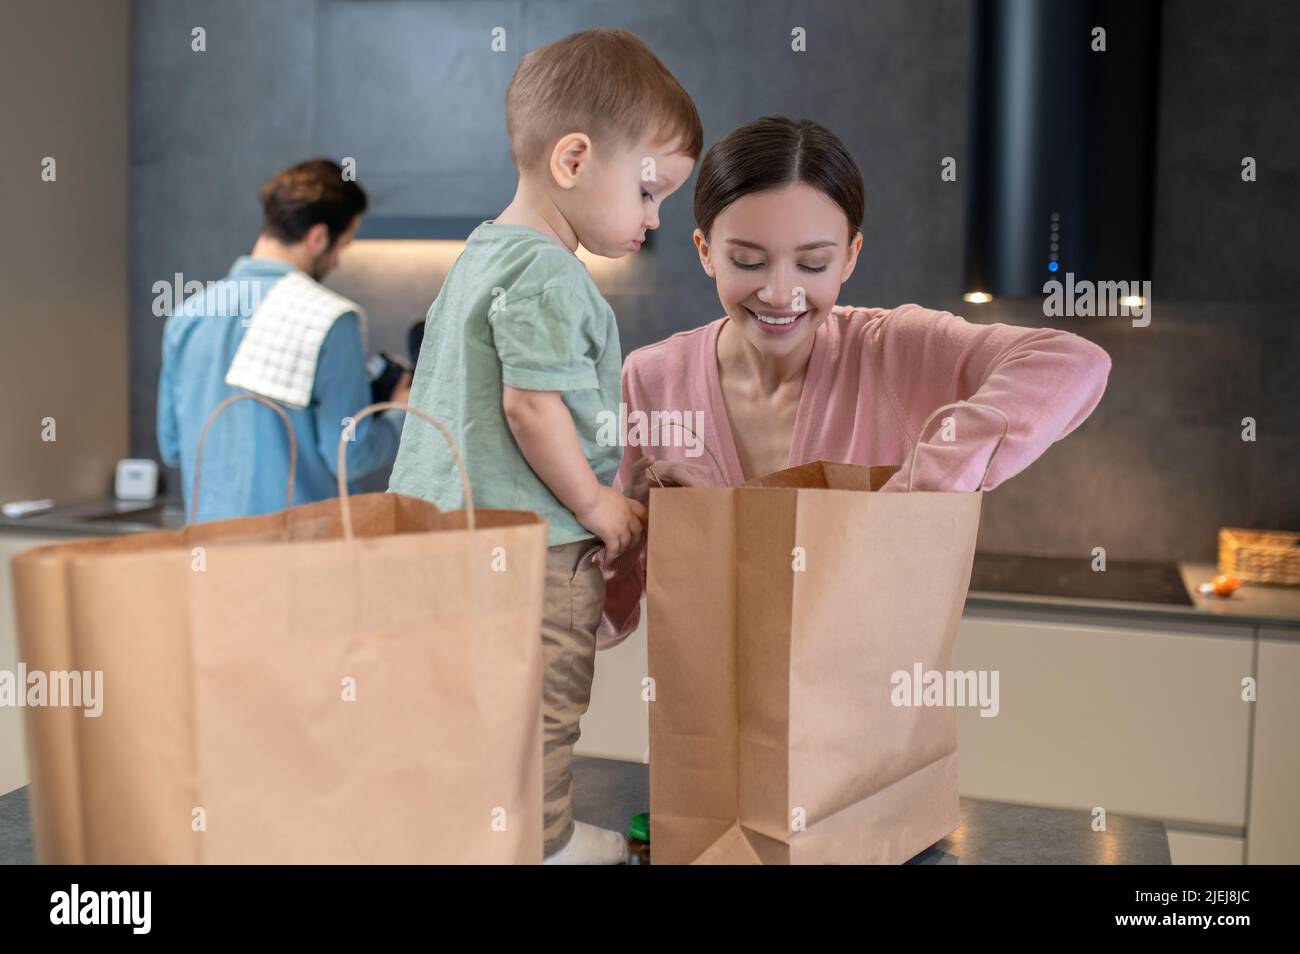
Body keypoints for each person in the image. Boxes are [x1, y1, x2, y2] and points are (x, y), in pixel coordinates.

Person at [600, 116, 1113, 646]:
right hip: (710, 717)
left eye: (813, 264)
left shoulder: (896, 349)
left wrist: (923, 487)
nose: (781, 293)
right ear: (706, 252)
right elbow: (609, 622)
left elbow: (1074, 361)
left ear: (850, 257)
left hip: (866, 714)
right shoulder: (651, 377)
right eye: (748, 261)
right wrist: (627, 537)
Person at [388, 29, 702, 864]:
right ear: (572, 160)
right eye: (648, 192)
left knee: (462, 706)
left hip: (439, 534)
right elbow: (531, 407)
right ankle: (543, 844)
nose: (654, 218)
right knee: (542, 705)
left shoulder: (479, 256)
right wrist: (601, 505)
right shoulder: (550, 273)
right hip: (530, 546)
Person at [157, 158, 409, 521]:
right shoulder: (330, 318)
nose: (338, 261)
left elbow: (174, 447)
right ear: (318, 237)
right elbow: (350, 456)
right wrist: (400, 413)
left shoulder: (188, 314)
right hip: (300, 554)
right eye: (344, 245)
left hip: (210, 550)